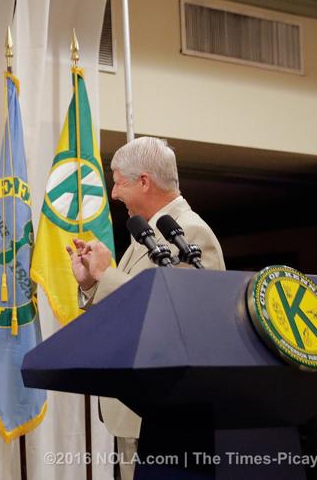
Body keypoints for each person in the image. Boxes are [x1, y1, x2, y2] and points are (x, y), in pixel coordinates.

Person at [66, 136, 225, 480]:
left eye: (118, 181)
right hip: (136, 408)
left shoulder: (191, 231)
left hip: (166, 414)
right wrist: (92, 284)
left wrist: (106, 275)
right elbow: (129, 311)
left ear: (144, 181)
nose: (113, 194)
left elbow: (178, 315)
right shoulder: (146, 236)